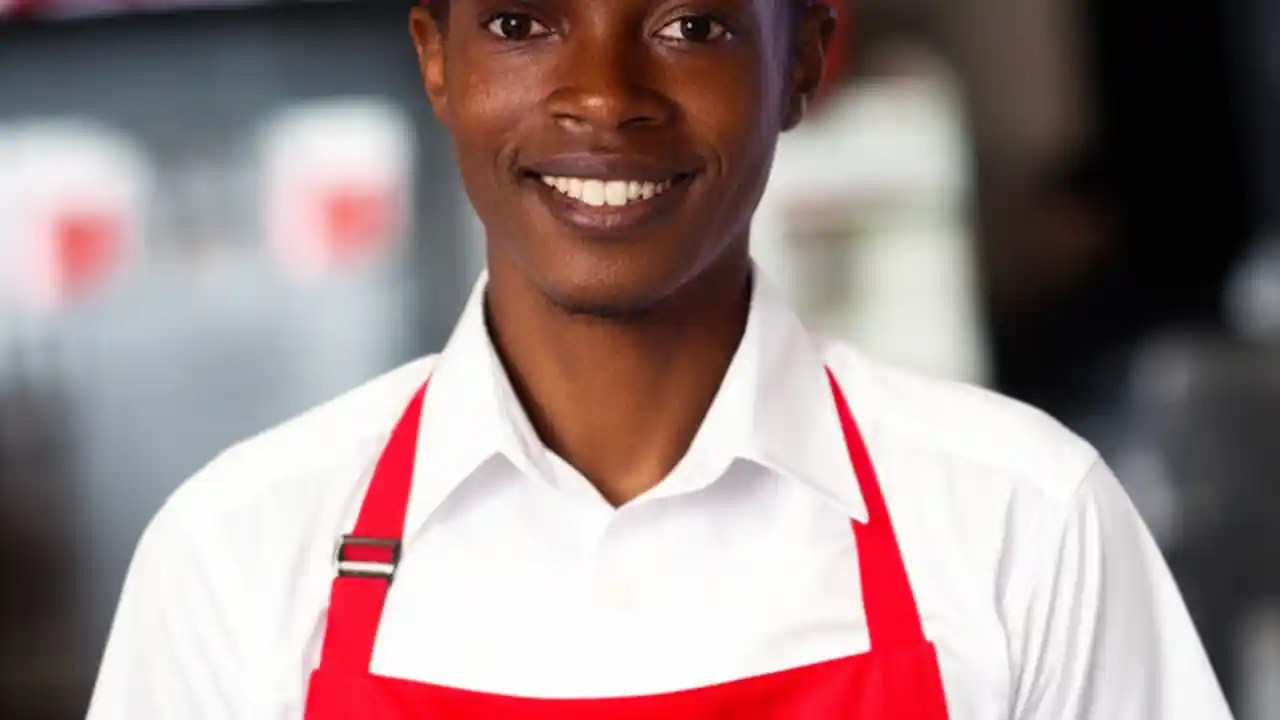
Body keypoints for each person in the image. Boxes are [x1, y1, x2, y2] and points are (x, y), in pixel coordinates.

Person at [87, 1, 1234, 718]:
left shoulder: (1020, 525)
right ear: (435, 57)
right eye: (523, 23)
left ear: (804, 62)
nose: (601, 95)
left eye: (690, 25)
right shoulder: (235, 559)